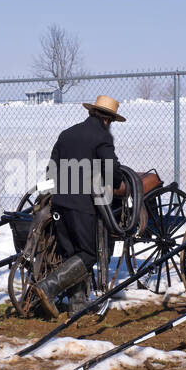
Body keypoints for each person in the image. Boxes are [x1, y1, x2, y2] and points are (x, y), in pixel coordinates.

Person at [33, 94, 125, 319]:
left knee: (72, 253)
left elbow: (51, 172)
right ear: (108, 120)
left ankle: (78, 304)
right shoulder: (101, 137)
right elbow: (111, 169)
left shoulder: (67, 134)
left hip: (60, 204)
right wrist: (118, 180)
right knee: (88, 254)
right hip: (82, 205)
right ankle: (48, 287)